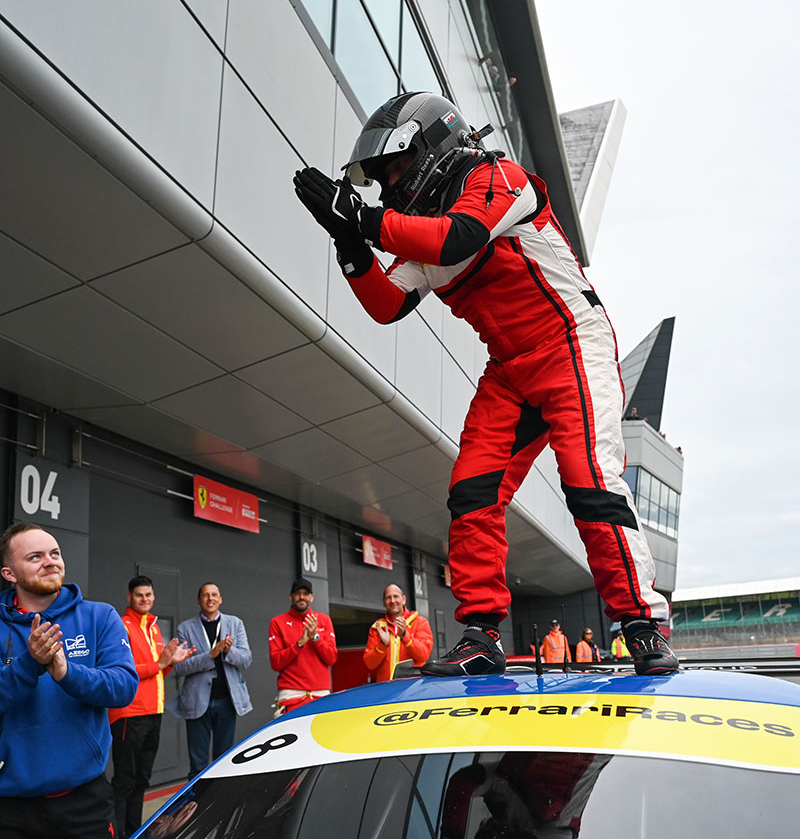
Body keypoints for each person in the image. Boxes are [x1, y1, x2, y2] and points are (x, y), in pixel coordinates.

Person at [294, 91, 678, 678]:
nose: (390, 185)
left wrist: (363, 222)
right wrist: (347, 239)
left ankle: (643, 625)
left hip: (571, 340)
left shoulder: (499, 177)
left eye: (396, 167)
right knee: (472, 489)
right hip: (511, 366)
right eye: (383, 178)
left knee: (589, 483)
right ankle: (481, 634)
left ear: (432, 147)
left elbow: (456, 239)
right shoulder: (414, 227)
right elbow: (387, 302)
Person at [0, 522, 138, 838]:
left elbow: (123, 687)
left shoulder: (100, 616)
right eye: (35, 557)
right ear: (9, 573)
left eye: (55, 553)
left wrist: (66, 673)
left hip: (85, 800)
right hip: (9, 804)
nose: (50, 561)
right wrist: (28, 665)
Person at [109, 576, 195, 838]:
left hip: (153, 713)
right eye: (139, 595)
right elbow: (120, 671)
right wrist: (159, 664)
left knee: (141, 780)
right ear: (129, 597)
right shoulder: (121, 627)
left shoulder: (154, 629)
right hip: (128, 714)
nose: (144, 599)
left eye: (148, 595)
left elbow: (156, 673)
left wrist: (169, 662)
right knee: (124, 782)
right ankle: (117, 833)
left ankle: (134, 832)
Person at [170, 583, 253, 780]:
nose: (210, 599)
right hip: (197, 702)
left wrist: (227, 651)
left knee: (224, 760)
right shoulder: (185, 629)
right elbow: (179, 668)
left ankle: (219, 803)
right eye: (205, 595)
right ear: (199, 600)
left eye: (214, 594)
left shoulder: (235, 624)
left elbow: (247, 659)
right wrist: (210, 655)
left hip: (227, 700)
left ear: (220, 599)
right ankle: (195, 804)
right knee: (198, 764)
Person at [268, 577, 337, 716]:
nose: (301, 597)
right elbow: (276, 663)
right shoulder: (277, 622)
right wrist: (299, 644)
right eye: (297, 593)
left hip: (320, 694)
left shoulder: (324, 620)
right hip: (291, 695)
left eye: (305, 593)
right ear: (290, 597)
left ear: (312, 597)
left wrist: (315, 638)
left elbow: (331, 659)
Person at [363, 583, 433, 681]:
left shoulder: (420, 622)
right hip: (386, 688)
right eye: (388, 598)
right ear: (383, 602)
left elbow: (423, 656)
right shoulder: (378, 627)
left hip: (412, 686)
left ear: (403, 599)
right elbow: (370, 664)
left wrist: (405, 636)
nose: (392, 601)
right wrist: (383, 645)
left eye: (396, 596)